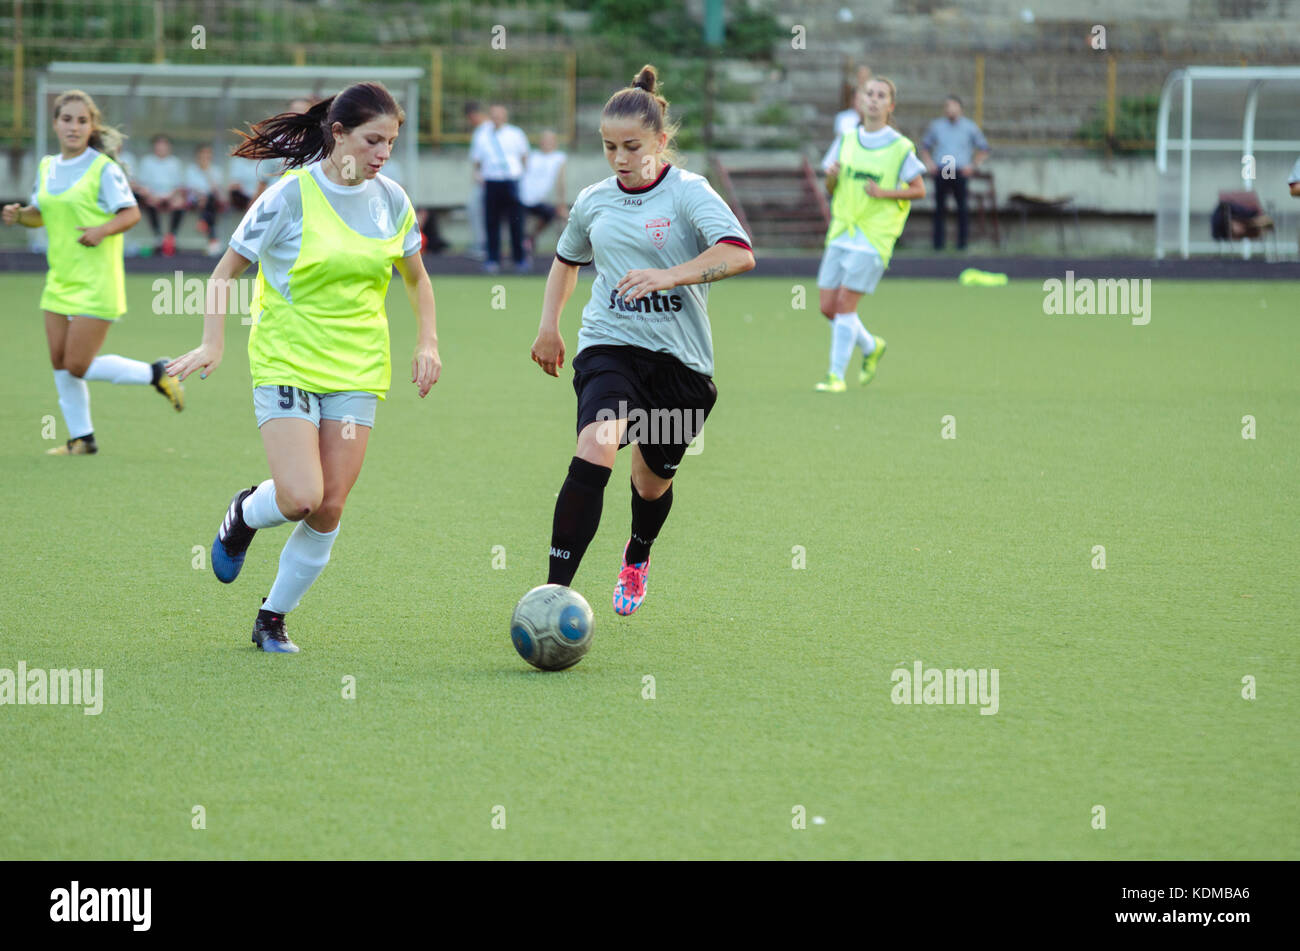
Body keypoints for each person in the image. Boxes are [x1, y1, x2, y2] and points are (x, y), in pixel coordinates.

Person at [166, 81, 441, 653]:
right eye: (372, 141)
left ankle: (272, 618)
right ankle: (243, 513)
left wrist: (427, 343)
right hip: (287, 360)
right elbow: (223, 274)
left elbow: (416, 277)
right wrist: (212, 344)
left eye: (390, 142)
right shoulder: (287, 197)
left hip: (359, 368)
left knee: (330, 504)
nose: (383, 153)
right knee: (298, 496)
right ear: (337, 134)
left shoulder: (392, 199)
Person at [529, 64, 755, 617]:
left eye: (631, 146)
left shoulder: (689, 193)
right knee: (597, 442)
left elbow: (739, 253)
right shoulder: (594, 200)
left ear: (659, 140)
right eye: (609, 147)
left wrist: (670, 274)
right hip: (610, 345)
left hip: (680, 365)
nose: (620, 158)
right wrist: (549, 325)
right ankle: (553, 593)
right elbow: (566, 261)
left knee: (651, 483)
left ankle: (638, 552)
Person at [2, 89, 184, 456]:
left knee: (78, 364)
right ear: (55, 124)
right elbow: (42, 212)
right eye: (66, 119)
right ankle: (82, 438)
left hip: (97, 281)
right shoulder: (47, 166)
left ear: (91, 126)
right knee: (59, 362)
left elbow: (130, 213)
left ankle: (157, 372)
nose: (73, 126)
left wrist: (100, 231)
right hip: (60, 278)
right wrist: (20, 215)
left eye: (81, 120)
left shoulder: (103, 169)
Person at [815, 77, 926, 393]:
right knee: (828, 306)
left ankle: (835, 376)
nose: (874, 100)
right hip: (841, 229)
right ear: (859, 101)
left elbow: (918, 190)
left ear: (890, 105)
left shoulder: (900, 146)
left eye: (881, 96)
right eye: (869, 94)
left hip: (874, 235)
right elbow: (831, 188)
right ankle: (870, 345)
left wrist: (883, 192)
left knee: (846, 304)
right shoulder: (846, 139)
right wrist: (832, 179)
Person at [919, 95, 990, 251]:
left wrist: (973, 166)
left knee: (962, 208)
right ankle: (938, 245)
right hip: (943, 169)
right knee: (939, 208)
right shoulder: (937, 126)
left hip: (960, 170)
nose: (950, 109)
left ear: (960, 108)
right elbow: (924, 147)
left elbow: (984, 149)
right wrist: (929, 164)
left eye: (953, 106)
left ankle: (962, 244)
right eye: (947, 106)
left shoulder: (970, 127)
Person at [470, 103, 530, 274]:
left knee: (516, 221)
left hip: (511, 179)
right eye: (494, 115)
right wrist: (477, 175)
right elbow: (476, 160)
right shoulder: (482, 134)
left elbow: (524, 156)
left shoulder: (515, 134)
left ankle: (519, 258)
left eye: (499, 115)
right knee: (491, 221)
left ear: (505, 117)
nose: (496, 118)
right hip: (491, 180)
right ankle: (492, 258)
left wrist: (521, 175)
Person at [132, 133, 188, 256]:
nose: (161, 149)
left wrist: (169, 196)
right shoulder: (147, 162)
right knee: (149, 201)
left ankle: (171, 237)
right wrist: (152, 196)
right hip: (152, 195)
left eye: (164, 146)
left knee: (180, 203)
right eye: (159, 146)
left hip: (170, 195)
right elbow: (141, 184)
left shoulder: (175, 162)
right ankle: (158, 237)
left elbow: (179, 185)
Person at [519, 129, 568, 255]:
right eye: (544, 140)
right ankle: (522, 245)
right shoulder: (532, 155)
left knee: (553, 214)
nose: (546, 143)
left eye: (549, 141)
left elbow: (560, 182)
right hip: (523, 198)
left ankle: (531, 237)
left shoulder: (559, 158)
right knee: (516, 218)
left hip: (539, 201)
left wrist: (561, 203)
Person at [184, 143, 226, 256]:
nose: (205, 157)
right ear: (197, 156)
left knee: (210, 200)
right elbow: (190, 188)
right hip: (194, 199)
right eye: (203, 154)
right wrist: (202, 196)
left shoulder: (216, 170)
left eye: (208, 154)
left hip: (210, 200)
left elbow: (216, 189)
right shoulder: (191, 169)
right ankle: (213, 240)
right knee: (207, 201)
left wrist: (207, 172)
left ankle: (202, 221)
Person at [464, 101, 488, 260]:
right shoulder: (483, 131)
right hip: (486, 179)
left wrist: (478, 174)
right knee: (476, 209)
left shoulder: (483, 132)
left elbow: (477, 159)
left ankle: (483, 244)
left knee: (475, 208)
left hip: (488, 180)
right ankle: (484, 244)